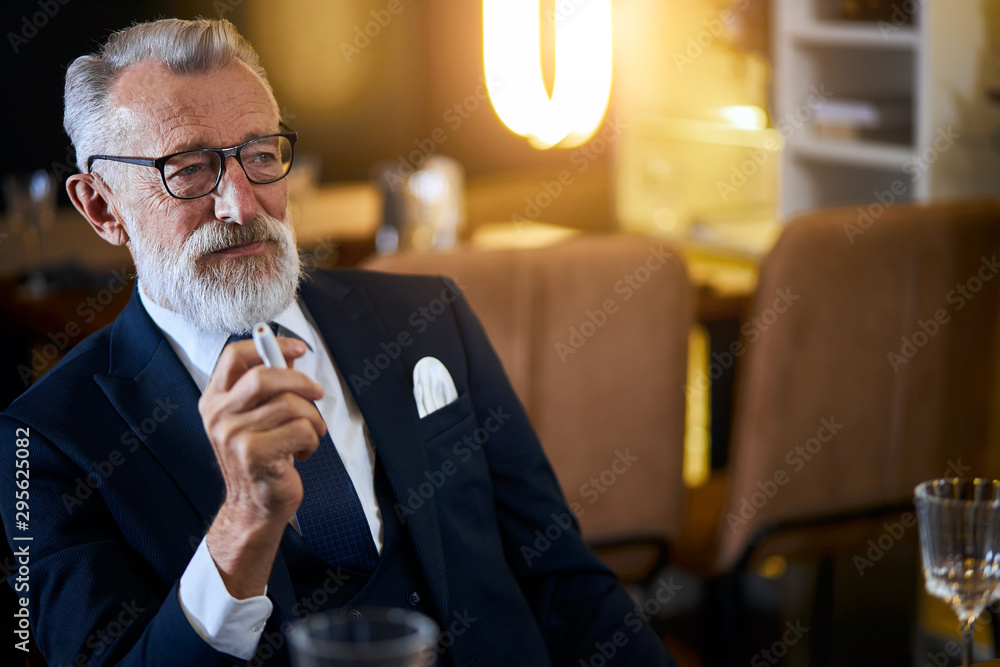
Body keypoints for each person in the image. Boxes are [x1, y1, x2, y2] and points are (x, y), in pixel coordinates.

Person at [0, 18, 676, 667]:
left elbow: (567, 582)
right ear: (101, 206)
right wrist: (242, 523)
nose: (241, 205)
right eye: (191, 169)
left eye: (261, 156)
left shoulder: (427, 315)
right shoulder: (45, 440)